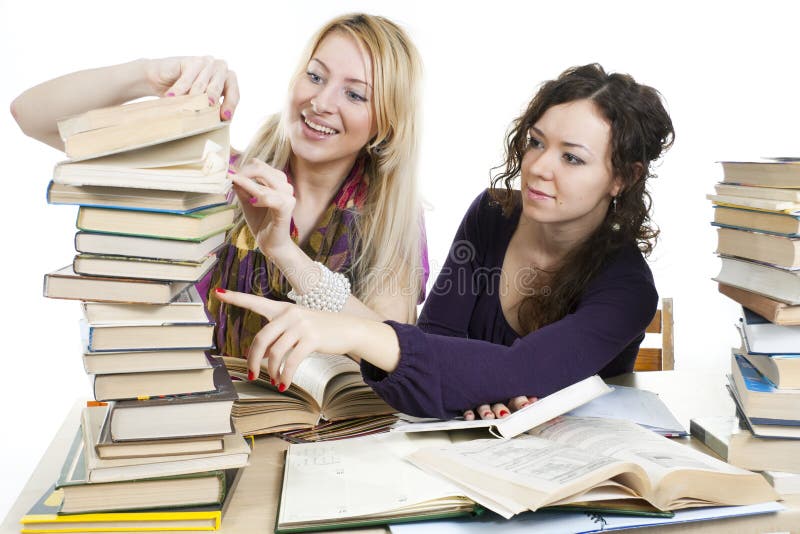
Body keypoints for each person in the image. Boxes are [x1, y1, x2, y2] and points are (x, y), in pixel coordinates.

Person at [213, 63, 675, 420]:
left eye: (572, 158)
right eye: (536, 142)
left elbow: (519, 373)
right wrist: (282, 250)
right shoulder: (493, 215)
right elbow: (434, 343)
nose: (539, 167)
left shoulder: (629, 289)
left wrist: (355, 332)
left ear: (622, 178)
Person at [10, 13, 428, 360]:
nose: (321, 102)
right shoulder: (217, 177)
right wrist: (147, 75)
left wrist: (283, 253)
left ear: (386, 124)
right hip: (206, 433)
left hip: (332, 451)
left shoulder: (390, 216)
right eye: (315, 77)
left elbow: (397, 355)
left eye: (355, 95)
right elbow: (31, 116)